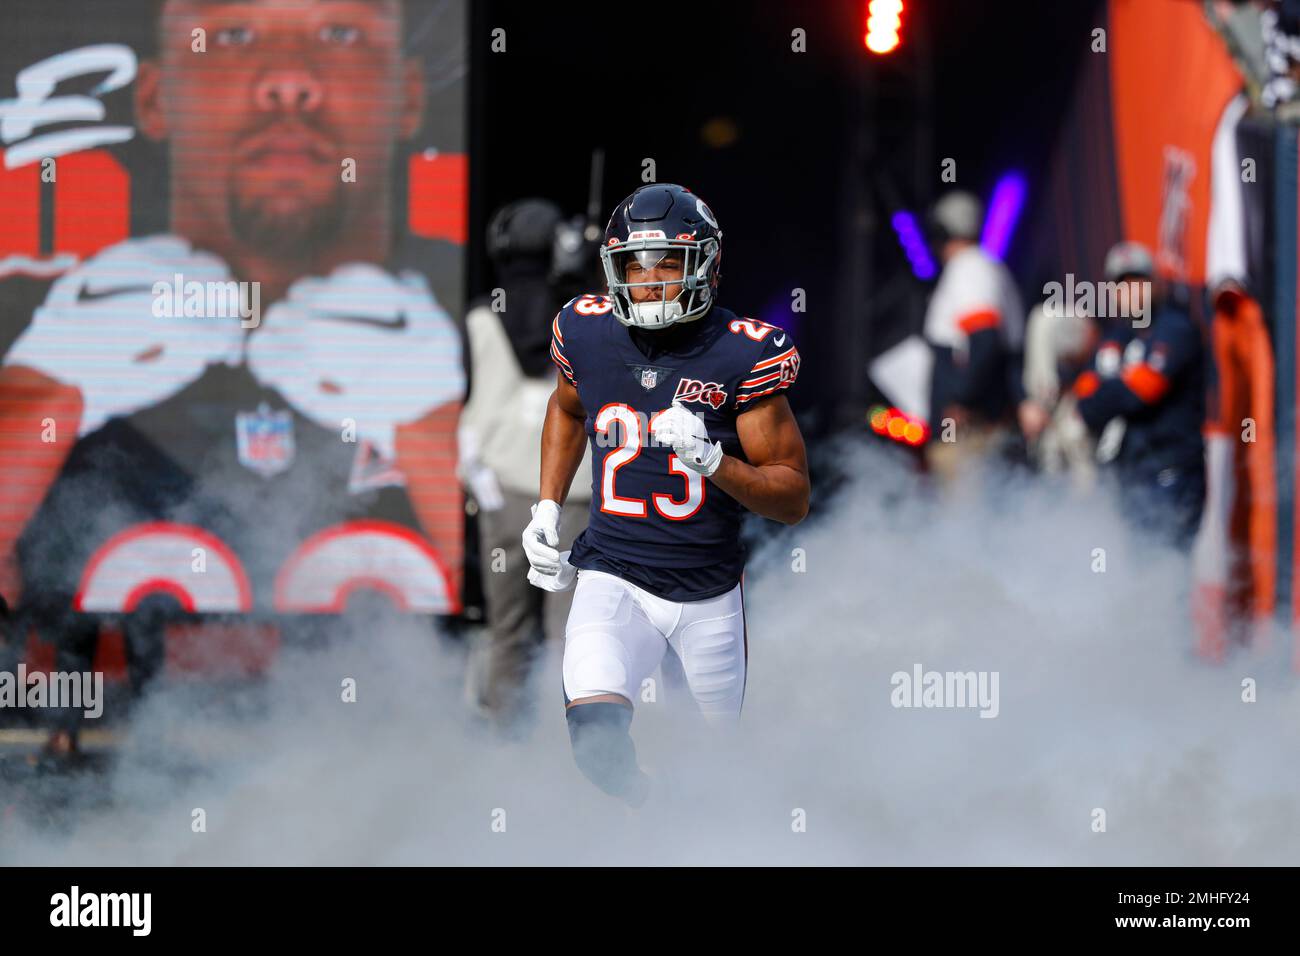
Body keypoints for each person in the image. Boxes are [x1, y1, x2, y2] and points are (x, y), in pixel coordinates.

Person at [0, 0, 464, 753]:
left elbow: (527, 589)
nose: (289, 82)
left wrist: (425, 424)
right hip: (140, 714)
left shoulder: (464, 315)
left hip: (376, 738)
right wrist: (48, 392)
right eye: (233, 34)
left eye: (340, 33)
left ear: (409, 93)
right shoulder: (79, 315)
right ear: (153, 97)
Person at [522, 183, 809, 806]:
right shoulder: (588, 331)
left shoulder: (741, 352)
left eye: (667, 265)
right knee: (598, 747)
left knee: (715, 778)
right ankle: (647, 824)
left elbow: (792, 498)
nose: (648, 281)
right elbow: (567, 410)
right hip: (613, 573)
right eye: (633, 265)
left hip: (707, 595)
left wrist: (714, 461)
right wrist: (547, 504)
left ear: (704, 264)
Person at [460, 199, 592, 728]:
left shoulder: (477, 316)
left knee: (506, 628)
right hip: (577, 495)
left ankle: (501, 738)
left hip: (502, 491)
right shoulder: (590, 315)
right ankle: (574, 748)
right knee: (573, 635)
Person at [1072, 241, 1206, 548]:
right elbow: (1085, 403)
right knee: (1139, 570)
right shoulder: (1116, 339)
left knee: (1167, 568)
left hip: (1172, 471)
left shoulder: (1176, 328)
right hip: (1130, 475)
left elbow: (1141, 391)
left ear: (1155, 284)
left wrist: (1113, 386)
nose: (1130, 292)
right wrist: (1116, 386)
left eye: (1138, 282)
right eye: (1121, 285)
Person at [921, 190, 1025, 483]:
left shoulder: (969, 268)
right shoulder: (984, 267)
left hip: (972, 430)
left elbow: (984, 340)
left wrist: (960, 400)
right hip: (975, 426)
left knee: (967, 521)